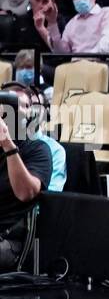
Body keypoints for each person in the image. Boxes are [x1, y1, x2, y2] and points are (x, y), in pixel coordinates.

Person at [0, 79, 51, 268]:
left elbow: (26, 193)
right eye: (13, 105)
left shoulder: (38, 149)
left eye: (25, 106)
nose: (20, 111)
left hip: (9, 239)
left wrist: (8, 145)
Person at [37, 0, 109, 54]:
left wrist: (84, 60)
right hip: (74, 66)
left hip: (100, 64)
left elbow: (107, 44)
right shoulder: (72, 23)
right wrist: (52, 23)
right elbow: (61, 53)